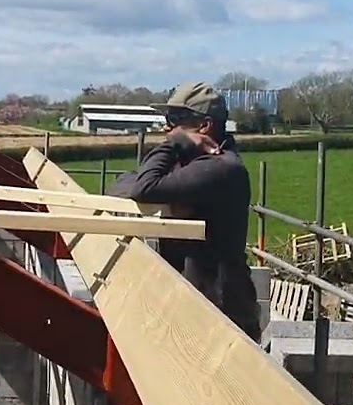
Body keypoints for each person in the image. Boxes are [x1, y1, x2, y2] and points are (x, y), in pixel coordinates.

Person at [106, 82, 261, 342]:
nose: (169, 127)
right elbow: (121, 185)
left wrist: (175, 143)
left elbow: (143, 188)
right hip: (196, 305)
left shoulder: (221, 168)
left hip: (218, 315)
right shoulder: (193, 164)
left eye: (177, 120)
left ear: (205, 126)